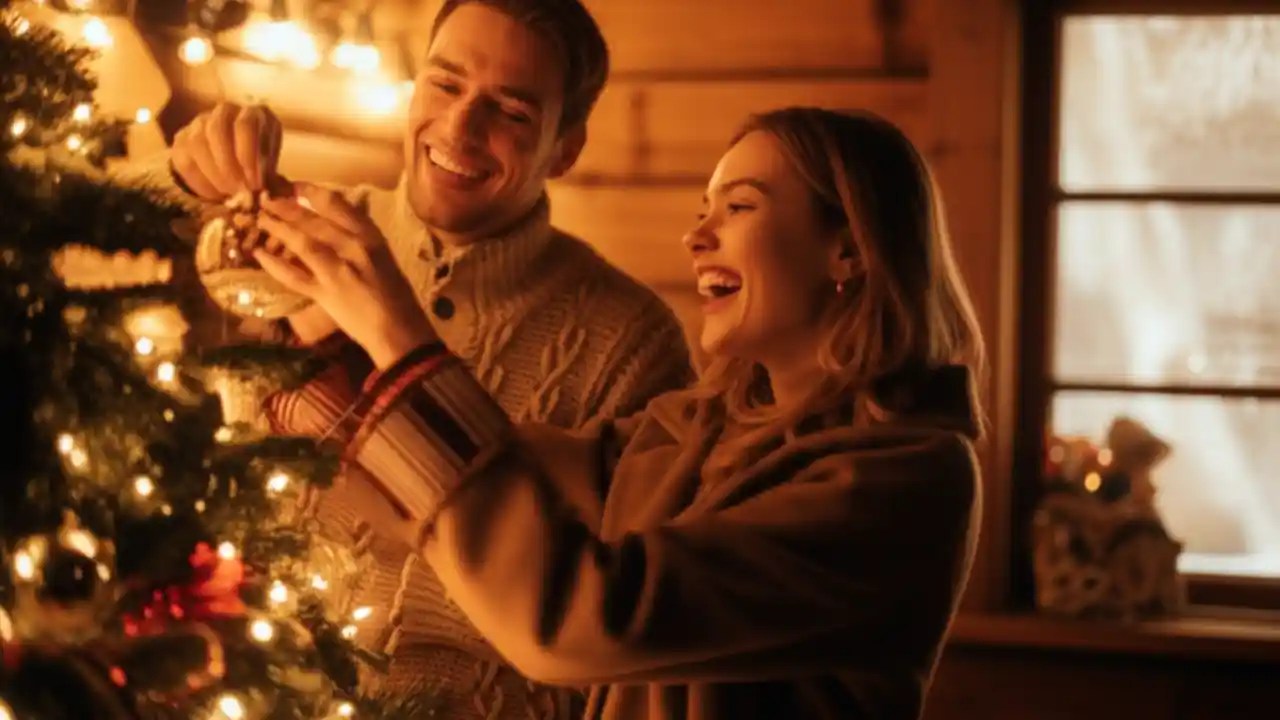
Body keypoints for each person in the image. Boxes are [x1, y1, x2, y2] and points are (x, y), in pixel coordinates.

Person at [254, 106, 987, 720]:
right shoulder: (697, 428)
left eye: (739, 207)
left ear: (850, 249)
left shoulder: (903, 475)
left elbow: (578, 617)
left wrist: (398, 331)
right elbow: (500, 463)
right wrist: (325, 333)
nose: (697, 237)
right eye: (703, 210)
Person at [160, 0, 692, 714]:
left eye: (510, 111)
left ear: (564, 149)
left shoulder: (632, 340)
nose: (460, 128)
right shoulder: (303, 238)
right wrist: (196, 171)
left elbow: (611, 618)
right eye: (445, 85)